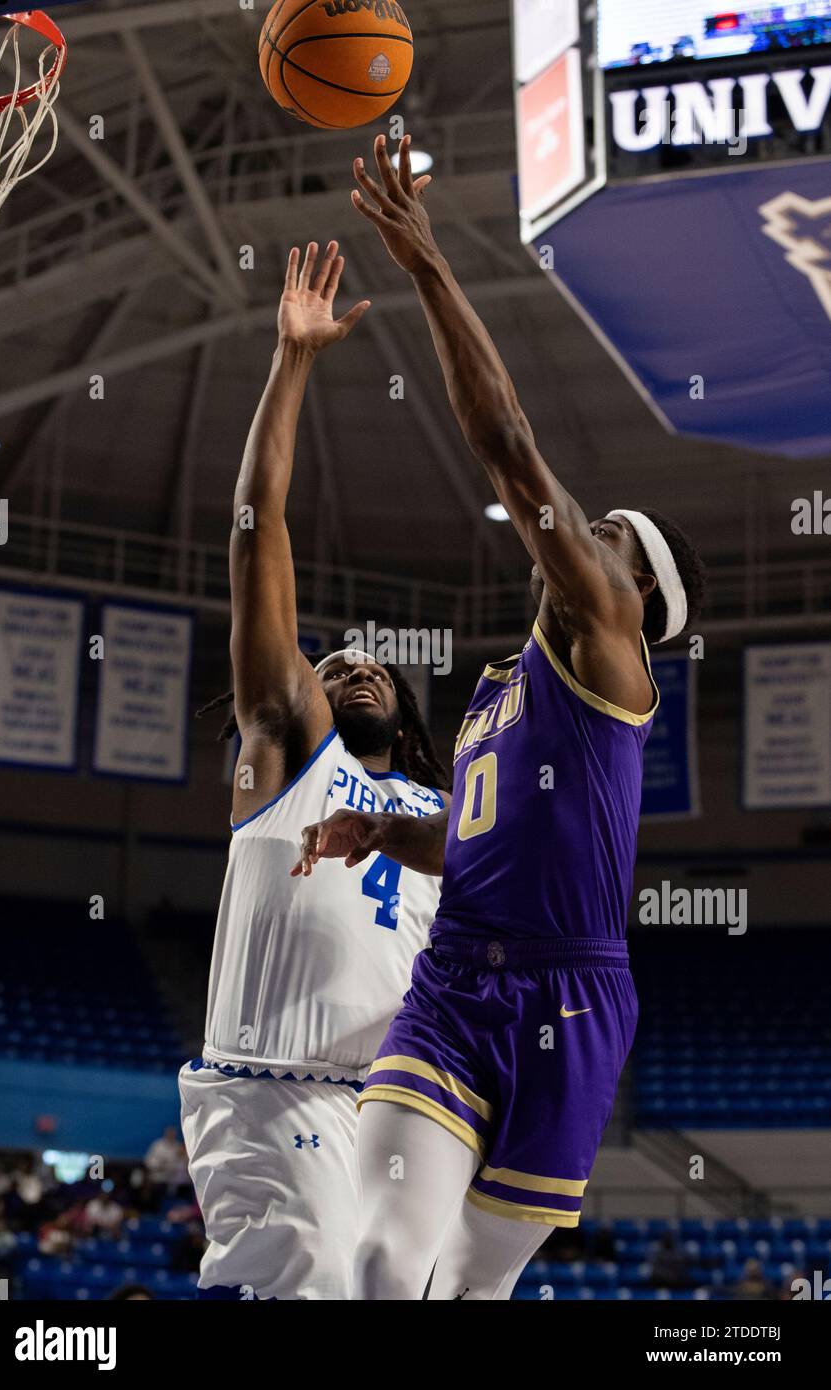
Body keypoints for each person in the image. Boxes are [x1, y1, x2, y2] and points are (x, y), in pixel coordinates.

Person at [296, 135, 706, 1301]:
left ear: (636, 600)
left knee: (469, 1288)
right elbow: (482, 839)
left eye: (605, 539)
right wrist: (388, 832)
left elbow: (508, 445)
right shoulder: (496, 687)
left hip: (569, 998)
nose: (580, 536)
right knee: (381, 1259)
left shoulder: (610, 653)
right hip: (452, 985)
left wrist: (426, 264)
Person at [178, 241, 449, 1301]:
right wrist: (291, 363)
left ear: (409, 712)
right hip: (272, 1088)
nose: (357, 665)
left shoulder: (439, 809)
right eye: (332, 663)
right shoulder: (289, 752)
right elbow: (256, 537)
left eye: (376, 662)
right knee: (315, 1283)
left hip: (400, 1107)